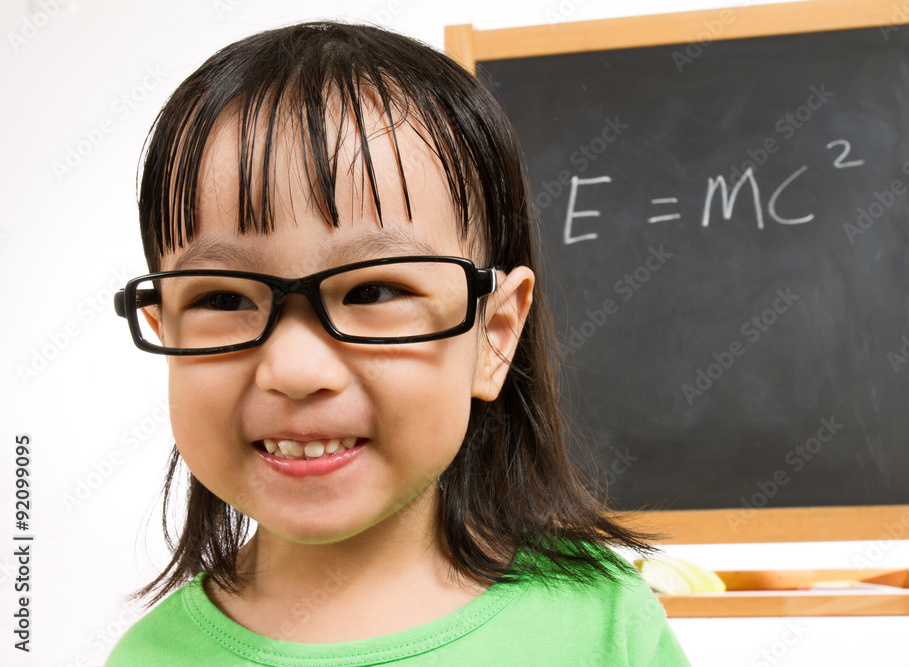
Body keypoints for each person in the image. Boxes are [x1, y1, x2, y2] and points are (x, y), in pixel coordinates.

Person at [106, 21, 690, 666]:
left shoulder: (601, 626)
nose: (296, 370)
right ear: (164, 326)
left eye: (375, 292)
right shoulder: (149, 657)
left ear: (493, 335)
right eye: (224, 299)